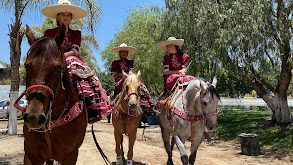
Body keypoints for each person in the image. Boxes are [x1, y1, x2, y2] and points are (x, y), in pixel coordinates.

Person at [41, 0, 111, 124]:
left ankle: (89, 103)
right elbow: (47, 49)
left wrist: (63, 56)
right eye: (63, 14)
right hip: (53, 59)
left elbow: (75, 50)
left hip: (70, 58)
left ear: (71, 18)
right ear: (57, 16)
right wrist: (56, 58)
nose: (66, 17)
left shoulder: (76, 33)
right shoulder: (49, 33)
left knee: (83, 71)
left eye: (68, 15)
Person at [110, 43, 153, 117]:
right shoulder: (115, 62)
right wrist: (122, 75)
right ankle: (112, 104)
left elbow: (130, 71)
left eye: (125, 52)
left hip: (130, 78)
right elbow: (113, 75)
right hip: (120, 80)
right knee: (116, 90)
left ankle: (146, 102)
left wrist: (129, 76)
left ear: (127, 53)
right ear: (119, 53)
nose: (124, 53)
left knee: (141, 85)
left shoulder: (130, 62)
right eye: (122, 52)